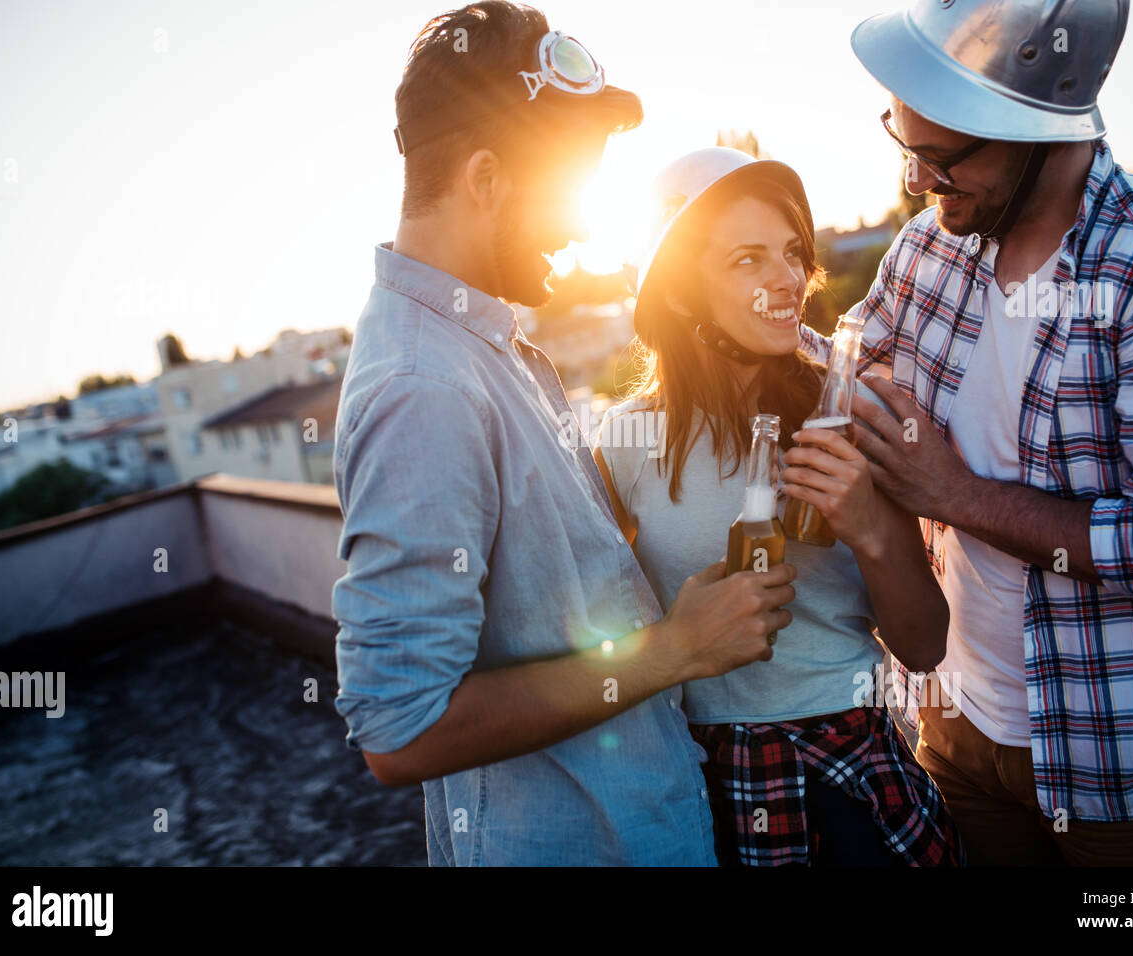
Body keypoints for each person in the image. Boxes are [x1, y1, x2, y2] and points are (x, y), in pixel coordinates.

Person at [330, 2, 799, 866]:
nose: (584, 229)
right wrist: (672, 651)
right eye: (567, 189)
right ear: (484, 179)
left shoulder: (481, 344)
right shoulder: (423, 389)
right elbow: (400, 732)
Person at [807, 0, 1133, 865]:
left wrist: (951, 494)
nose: (916, 183)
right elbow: (849, 357)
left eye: (940, 159)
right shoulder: (927, 251)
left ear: (1039, 130)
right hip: (955, 726)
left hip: (1131, 767)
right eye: (905, 148)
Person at [594, 147, 964, 866]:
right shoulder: (627, 443)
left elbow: (924, 645)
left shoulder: (847, 416)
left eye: (794, 253)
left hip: (847, 773)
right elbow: (601, 636)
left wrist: (871, 531)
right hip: (700, 782)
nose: (788, 279)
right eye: (747, 260)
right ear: (678, 294)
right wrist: (679, 638)